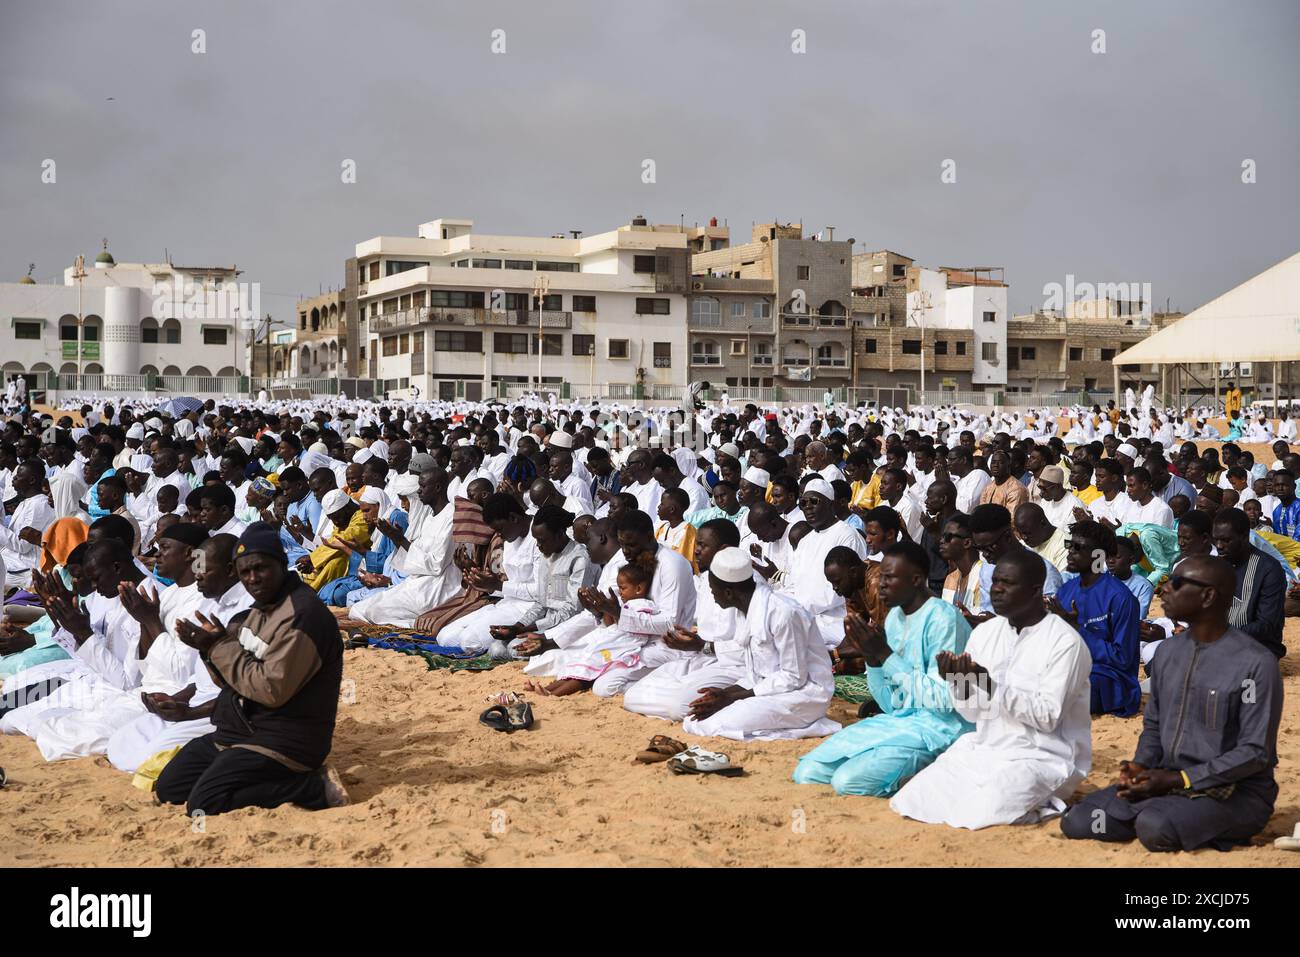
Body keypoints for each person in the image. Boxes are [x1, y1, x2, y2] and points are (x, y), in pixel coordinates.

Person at [1060, 555, 1282, 852]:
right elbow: (1153, 724)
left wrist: (1182, 779)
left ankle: (1193, 818)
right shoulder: (1168, 652)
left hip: (1233, 792)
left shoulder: (1255, 663)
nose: (1164, 590)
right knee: (1078, 820)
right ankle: (1164, 811)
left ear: (1208, 596)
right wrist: (1139, 766)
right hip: (1163, 782)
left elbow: (1255, 753)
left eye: (1176, 584)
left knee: (1154, 827)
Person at [890, 549, 1093, 829]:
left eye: (1007, 584)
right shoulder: (985, 633)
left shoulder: (1065, 642)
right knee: (913, 800)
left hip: (1042, 757)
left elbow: (1048, 718)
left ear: (1036, 590)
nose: (996, 589)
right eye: (995, 581)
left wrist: (988, 684)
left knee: (983, 810)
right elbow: (973, 715)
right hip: (986, 748)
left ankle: (1040, 803)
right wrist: (958, 682)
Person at [154, 523, 348, 815]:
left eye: (261, 568)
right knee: (170, 788)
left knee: (203, 804)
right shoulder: (264, 606)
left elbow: (270, 689)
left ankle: (313, 788)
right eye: (245, 572)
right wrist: (208, 650)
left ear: (281, 565)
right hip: (242, 729)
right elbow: (232, 681)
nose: (253, 578)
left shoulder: (302, 615)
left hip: (284, 738)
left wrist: (219, 646)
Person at [793, 541, 972, 796]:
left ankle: (929, 772)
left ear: (916, 579)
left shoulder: (945, 620)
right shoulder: (896, 619)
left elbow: (944, 702)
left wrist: (885, 655)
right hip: (901, 724)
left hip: (940, 729)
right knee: (809, 772)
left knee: (848, 782)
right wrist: (873, 660)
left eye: (889, 577)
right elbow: (893, 706)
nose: (882, 583)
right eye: (882, 576)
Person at [680, 546, 839, 741]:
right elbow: (758, 675)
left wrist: (733, 698)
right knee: (694, 719)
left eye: (714, 591)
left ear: (729, 593)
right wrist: (723, 694)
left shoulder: (783, 613)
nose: (712, 595)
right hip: (768, 688)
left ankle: (809, 724)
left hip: (803, 695)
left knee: (710, 725)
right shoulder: (744, 610)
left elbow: (793, 677)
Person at [1049, 521, 1141, 717]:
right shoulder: (1066, 591)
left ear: (1099, 555)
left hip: (1110, 678)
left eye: (1078, 547)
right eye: (1069, 545)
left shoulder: (1121, 598)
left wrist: (1077, 629)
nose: (1070, 552)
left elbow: (1122, 658)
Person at [1211, 507, 1286, 658]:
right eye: (1216, 539)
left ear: (1245, 537)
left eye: (1226, 540)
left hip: (1258, 648)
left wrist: (1222, 637)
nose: (1219, 546)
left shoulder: (1268, 569)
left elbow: (1267, 624)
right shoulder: (1215, 565)